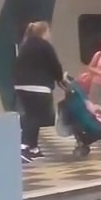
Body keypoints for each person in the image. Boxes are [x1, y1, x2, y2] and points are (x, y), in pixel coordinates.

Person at [13, 21, 66, 163]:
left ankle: (33, 148)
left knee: (31, 116)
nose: (50, 34)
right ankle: (23, 147)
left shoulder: (25, 45)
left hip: (21, 86)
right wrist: (61, 79)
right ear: (44, 32)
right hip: (38, 86)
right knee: (37, 117)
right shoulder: (44, 45)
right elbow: (54, 65)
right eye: (49, 31)